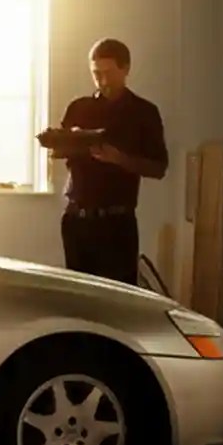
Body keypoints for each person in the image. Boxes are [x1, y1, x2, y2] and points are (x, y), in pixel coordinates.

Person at [52, 38, 168, 285]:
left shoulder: (144, 113)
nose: (103, 81)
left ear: (125, 69)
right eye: (96, 74)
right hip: (76, 220)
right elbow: (60, 153)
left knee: (119, 300)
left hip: (117, 224)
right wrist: (65, 141)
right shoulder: (79, 108)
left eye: (109, 74)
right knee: (78, 298)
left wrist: (119, 159)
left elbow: (159, 167)